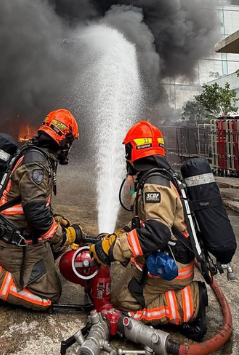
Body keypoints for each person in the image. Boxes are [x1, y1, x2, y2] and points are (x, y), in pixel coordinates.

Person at [84, 120, 207, 339]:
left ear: (134, 151)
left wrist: (111, 250)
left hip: (170, 268)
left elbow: (156, 234)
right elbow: (142, 225)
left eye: (127, 151)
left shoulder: (155, 184)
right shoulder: (154, 177)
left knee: (120, 309)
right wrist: (114, 239)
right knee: (114, 296)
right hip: (159, 259)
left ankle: (192, 301)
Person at [0, 109, 87, 311]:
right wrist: (64, 236)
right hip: (12, 241)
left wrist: (55, 221)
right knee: (49, 295)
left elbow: (31, 204)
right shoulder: (37, 165)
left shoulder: (34, 154)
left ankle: (32, 269)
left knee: (55, 237)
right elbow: (36, 215)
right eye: (70, 143)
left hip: (13, 232)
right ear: (64, 140)